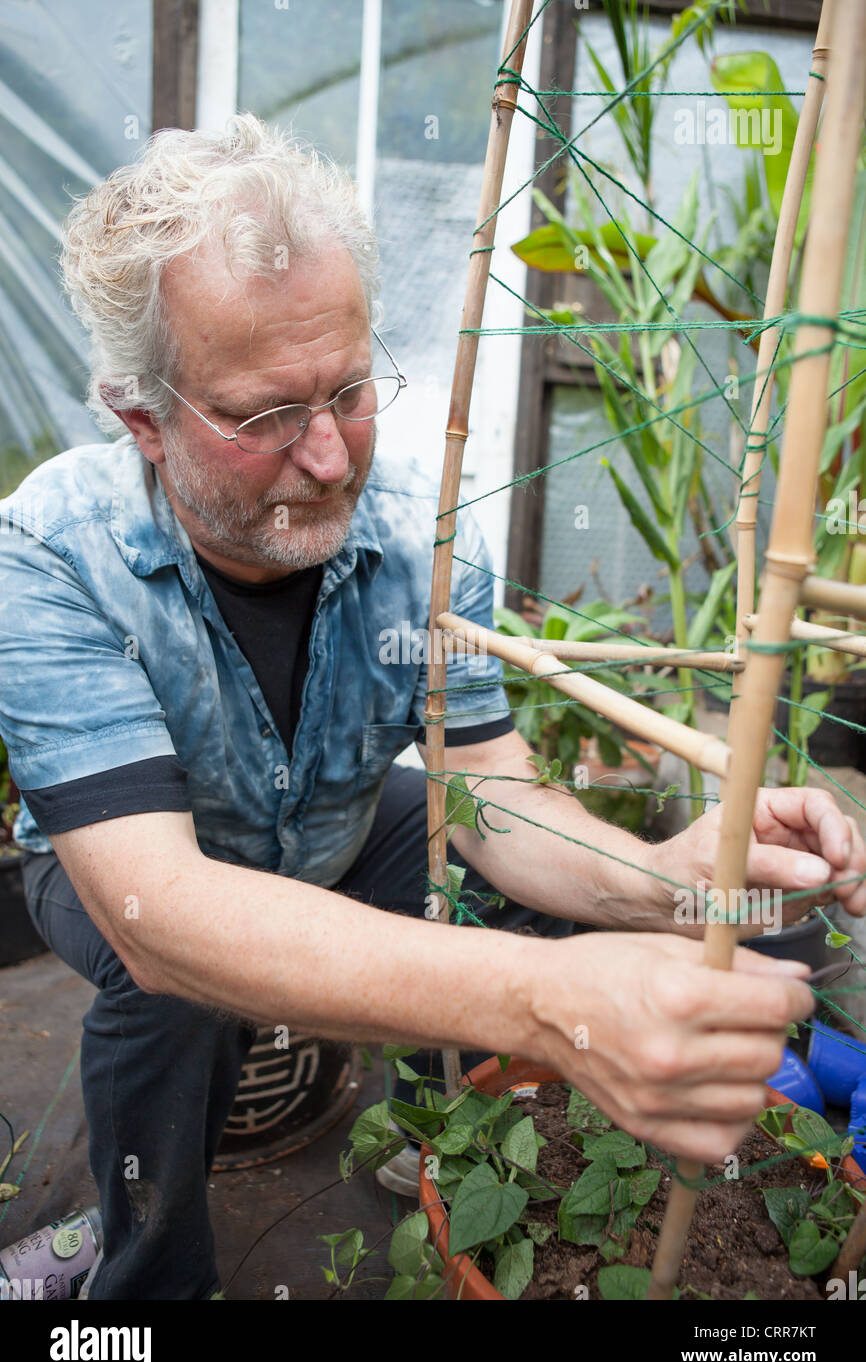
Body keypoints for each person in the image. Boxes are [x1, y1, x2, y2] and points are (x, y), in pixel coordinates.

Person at [0, 115, 862, 1300]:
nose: (325, 457)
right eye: (262, 417)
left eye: (349, 391)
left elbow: (493, 797)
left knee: (540, 887)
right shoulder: (50, 554)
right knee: (169, 986)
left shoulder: (420, 528)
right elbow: (161, 907)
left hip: (341, 822)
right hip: (127, 867)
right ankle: (141, 1268)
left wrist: (686, 878)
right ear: (143, 418)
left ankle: (441, 1142)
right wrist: (552, 1007)